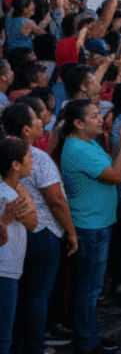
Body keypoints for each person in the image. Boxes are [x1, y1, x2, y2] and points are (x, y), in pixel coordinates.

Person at [55, 98, 121, 354]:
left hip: (98, 222)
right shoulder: (79, 148)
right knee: (90, 287)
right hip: (90, 225)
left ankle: (90, 336)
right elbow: (115, 175)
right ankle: (87, 341)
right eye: (93, 116)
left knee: (92, 286)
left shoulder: (87, 142)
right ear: (78, 123)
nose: (100, 119)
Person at [1, 103, 75, 354]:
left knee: (18, 294)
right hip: (41, 232)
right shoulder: (34, 156)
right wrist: (71, 231)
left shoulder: (7, 152)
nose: (42, 121)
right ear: (24, 128)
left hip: (18, 234)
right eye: (36, 118)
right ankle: (34, 346)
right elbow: (56, 199)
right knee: (38, 293)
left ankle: (18, 342)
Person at [0, 136, 35, 354]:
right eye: (29, 157)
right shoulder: (9, 195)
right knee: (3, 337)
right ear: (15, 164)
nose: (33, 161)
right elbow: (33, 222)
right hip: (5, 270)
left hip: (9, 269)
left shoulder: (10, 190)